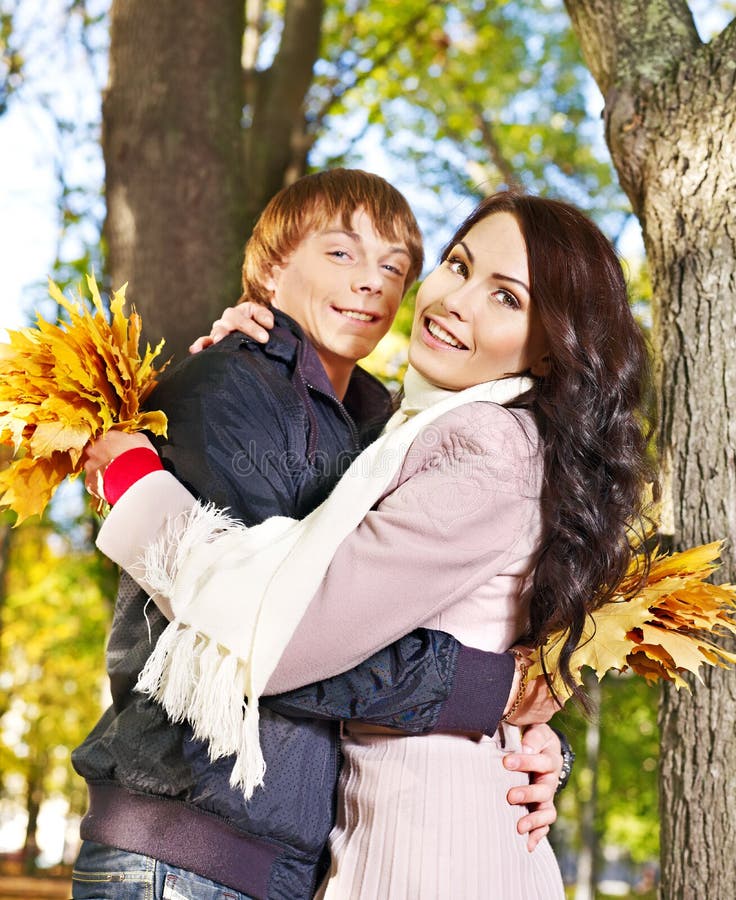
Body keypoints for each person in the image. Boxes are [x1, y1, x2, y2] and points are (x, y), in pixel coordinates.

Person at [84, 188, 655, 897]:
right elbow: (344, 623)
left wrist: (137, 486)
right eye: (457, 265)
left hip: (422, 847)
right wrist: (501, 697)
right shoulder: (373, 426)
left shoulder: (482, 445)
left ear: (551, 348)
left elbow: (284, 637)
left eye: (505, 298)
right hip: (215, 841)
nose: (453, 299)